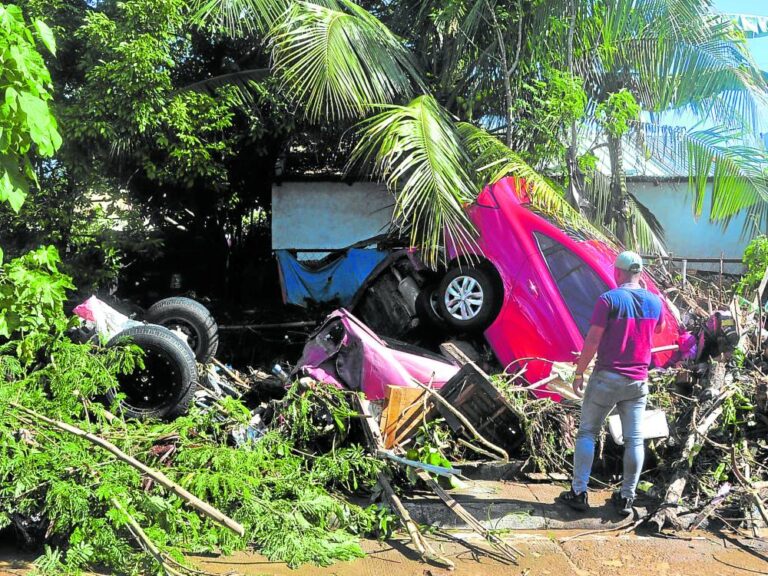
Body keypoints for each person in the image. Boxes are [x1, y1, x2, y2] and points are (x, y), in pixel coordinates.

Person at [557, 251, 664, 516]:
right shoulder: (654, 301)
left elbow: (593, 340)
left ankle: (579, 493)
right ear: (640, 273)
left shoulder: (609, 299)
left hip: (607, 377)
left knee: (587, 433)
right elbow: (659, 329)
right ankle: (626, 497)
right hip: (637, 381)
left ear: (617, 272)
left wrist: (579, 372)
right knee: (634, 440)